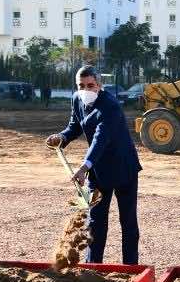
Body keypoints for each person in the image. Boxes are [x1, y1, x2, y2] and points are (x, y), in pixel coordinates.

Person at [46, 65, 141, 264]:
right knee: (95, 221)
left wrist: (83, 168)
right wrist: (60, 138)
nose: (86, 90)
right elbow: (74, 126)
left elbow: (100, 139)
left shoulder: (111, 106)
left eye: (91, 85)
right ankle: (93, 266)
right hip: (98, 171)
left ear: (100, 85)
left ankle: (131, 268)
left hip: (123, 168)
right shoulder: (77, 99)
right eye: (81, 86)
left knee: (128, 222)